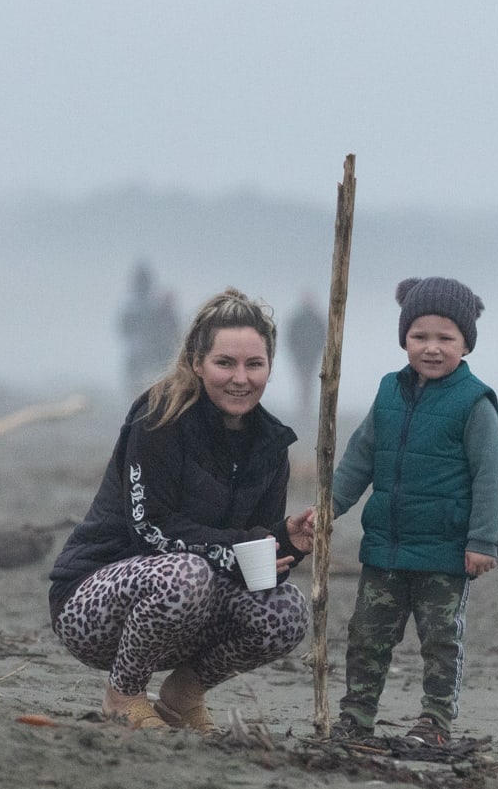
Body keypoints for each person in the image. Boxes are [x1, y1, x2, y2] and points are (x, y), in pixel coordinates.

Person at [50, 288, 316, 732]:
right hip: (93, 606)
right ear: (197, 363)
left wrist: (287, 541)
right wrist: (239, 547)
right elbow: (149, 529)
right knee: (186, 574)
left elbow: (249, 560)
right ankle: (123, 695)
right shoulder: (160, 416)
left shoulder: (271, 444)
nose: (241, 378)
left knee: (288, 611)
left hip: (188, 616)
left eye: (254, 364)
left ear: (270, 366)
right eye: (225, 363)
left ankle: (182, 696)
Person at [327, 276, 498, 748]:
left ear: (466, 343)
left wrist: (482, 541)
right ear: (404, 338)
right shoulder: (389, 391)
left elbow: (489, 474)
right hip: (384, 546)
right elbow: (360, 458)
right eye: (419, 336)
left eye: (445, 337)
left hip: (445, 552)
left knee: (440, 641)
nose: (431, 348)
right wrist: (329, 508)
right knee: (367, 636)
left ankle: (435, 722)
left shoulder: (475, 402)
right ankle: (356, 716)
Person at [116, 261, 182, 399]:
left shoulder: (154, 305)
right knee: (138, 386)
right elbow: (124, 329)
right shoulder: (135, 306)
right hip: (145, 354)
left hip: (156, 353)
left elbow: (172, 329)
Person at [284, 292, 326, 430]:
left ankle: (306, 410)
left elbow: (322, 337)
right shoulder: (301, 319)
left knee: (307, 383)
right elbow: (291, 337)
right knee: (304, 383)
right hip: (301, 357)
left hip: (309, 357)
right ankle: (304, 410)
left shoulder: (313, 319)